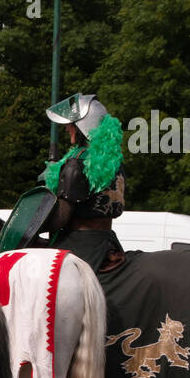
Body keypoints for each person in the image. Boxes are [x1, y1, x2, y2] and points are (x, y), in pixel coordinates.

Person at [41, 93, 126, 274]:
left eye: (70, 125)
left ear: (83, 126)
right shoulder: (113, 160)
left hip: (80, 246)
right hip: (107, 240)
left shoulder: (77, 162)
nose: (67, 129)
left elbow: (61, 217)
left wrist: (35, 226)